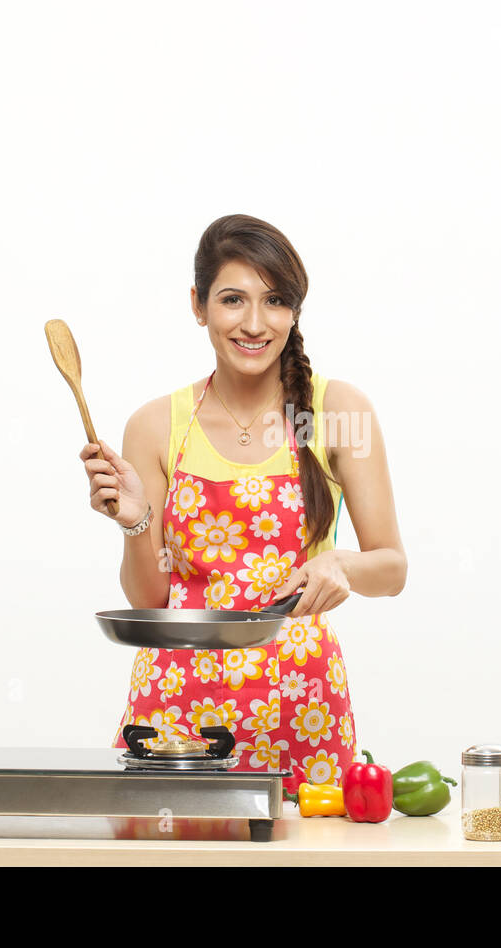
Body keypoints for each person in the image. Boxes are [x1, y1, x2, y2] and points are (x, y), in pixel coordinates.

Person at [80, 213, 407, 786]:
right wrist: (136, 523)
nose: (255, 323)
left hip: (300, 704)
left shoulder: (337, 411)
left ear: (295, 311)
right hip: (177, 709)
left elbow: (391, 568)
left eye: (275, 300)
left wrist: (341, 564)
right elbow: (151, 597)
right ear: (198, 305)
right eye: (233, 300)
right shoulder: (158, 425)